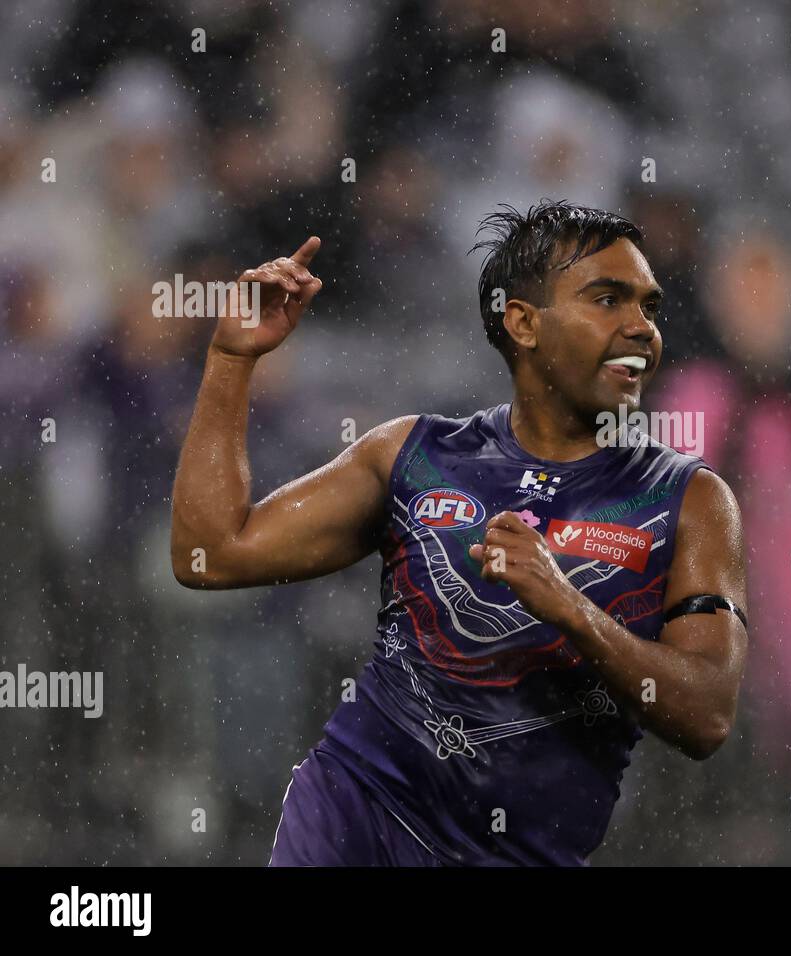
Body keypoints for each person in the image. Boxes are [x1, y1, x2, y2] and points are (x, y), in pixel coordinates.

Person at [169, 200, 748, 866]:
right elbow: (208, 555)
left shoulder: (687, 500)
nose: (641, 328)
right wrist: (229, 359)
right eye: (608, 299)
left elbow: (708, 716)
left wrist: (569, 609)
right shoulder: (413, 456)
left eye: (649, 306)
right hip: (355, 816)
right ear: (523, 322)